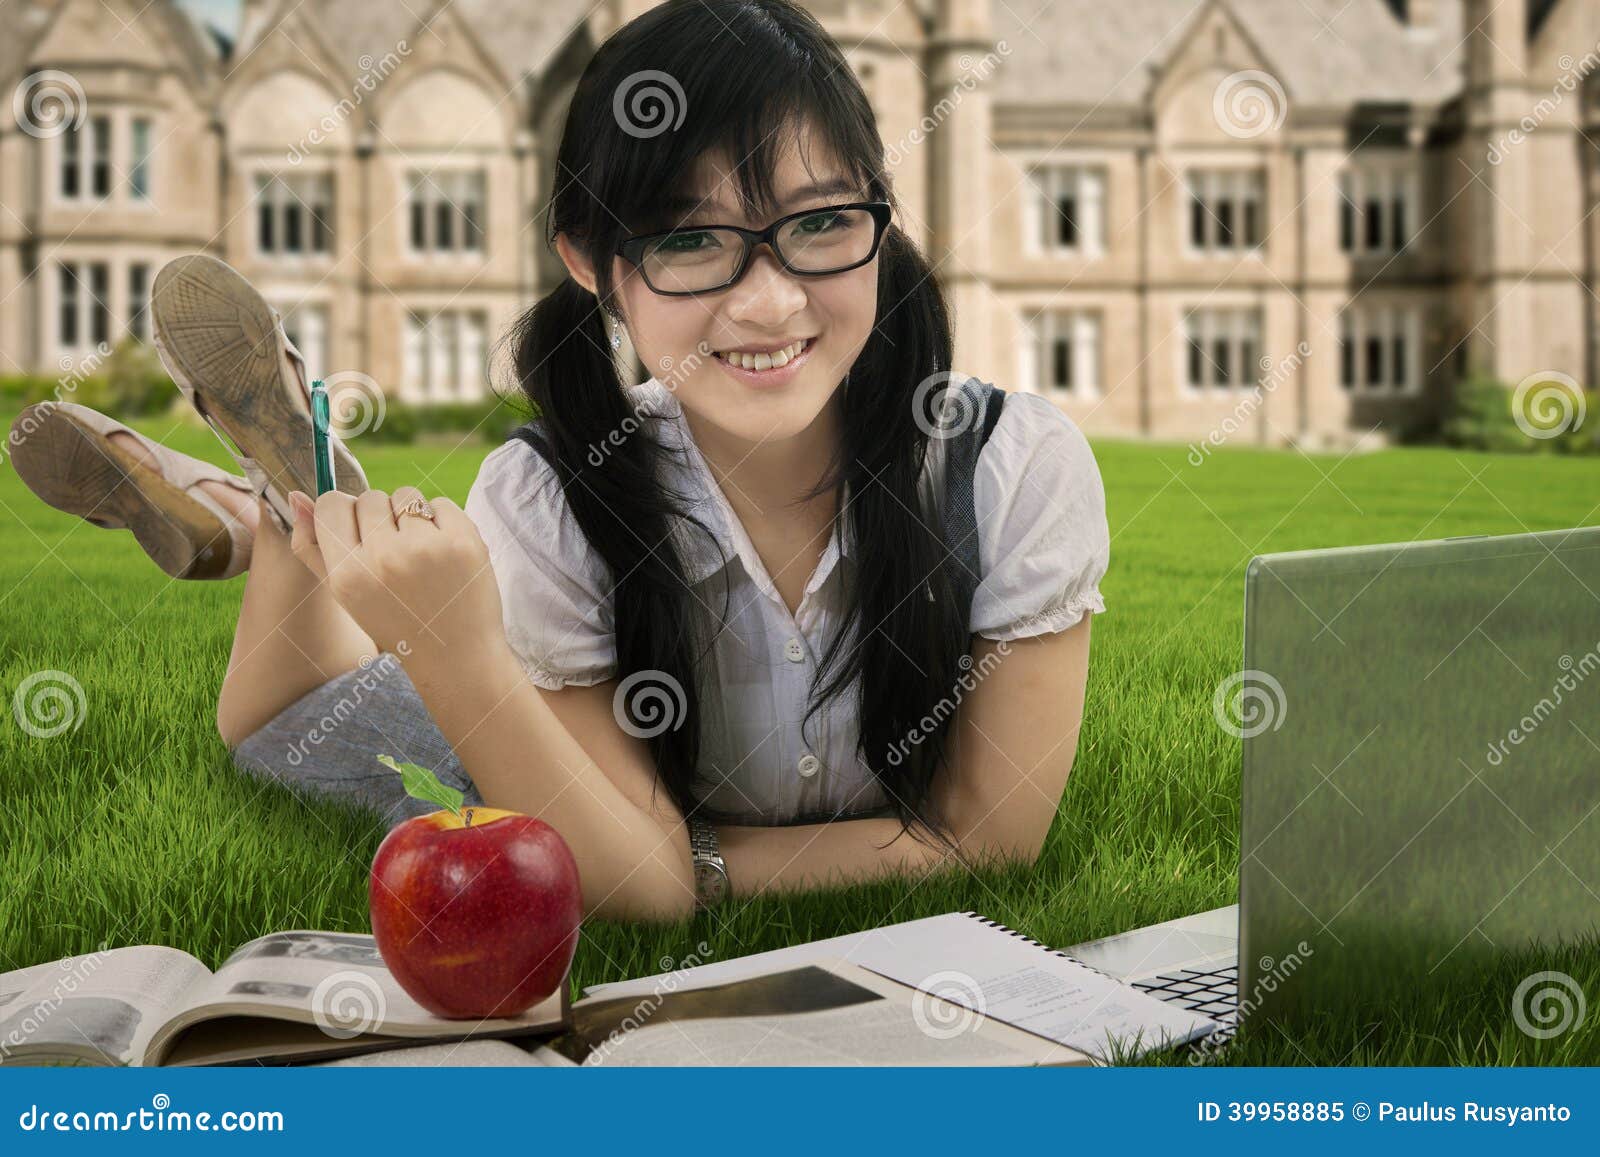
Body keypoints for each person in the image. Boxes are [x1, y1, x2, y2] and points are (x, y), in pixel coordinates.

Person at [8, 0, 1108, 923]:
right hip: (525, 709)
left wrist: (688, 851)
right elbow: (641, 889)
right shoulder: (549, 500)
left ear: (882, 210)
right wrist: (460, 654)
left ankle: (272, 496)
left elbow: (989, 842)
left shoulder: (1015, 469)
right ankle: (302, 499)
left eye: (820, 224)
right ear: (592, 263)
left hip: (592, 753)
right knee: (279, 725)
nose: (770, 301)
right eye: (687, 241)